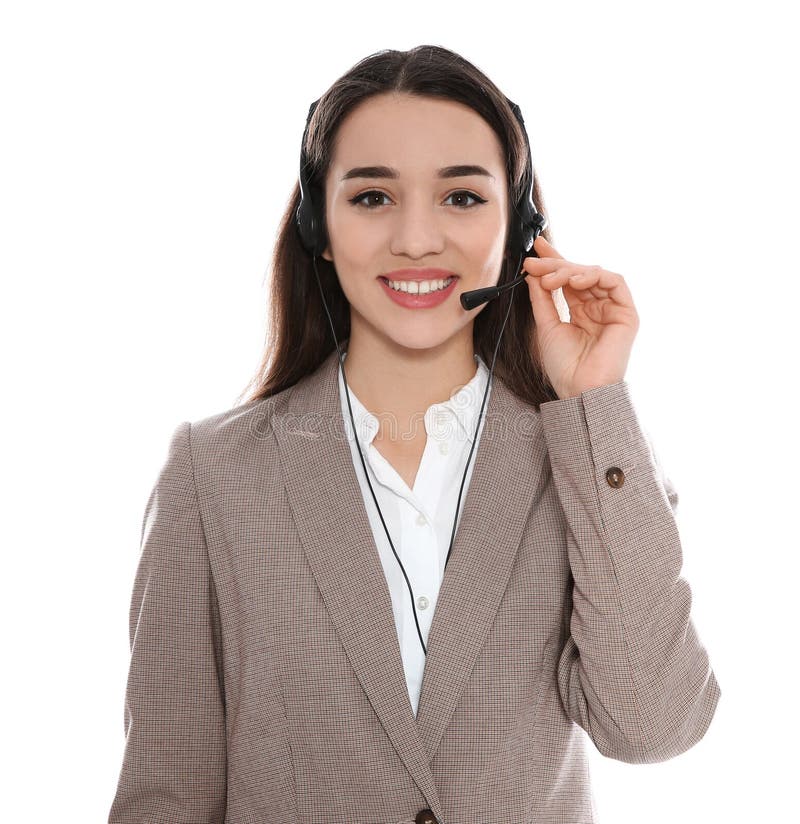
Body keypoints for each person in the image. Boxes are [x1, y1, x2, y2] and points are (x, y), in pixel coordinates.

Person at [107, 44, 721, 824]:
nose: (418, 240)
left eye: (462, 197)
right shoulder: (213, 472)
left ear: (520, 226)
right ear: (317, 226)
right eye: (372, 198)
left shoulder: (587, 460)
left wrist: (594, 403)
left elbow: (652, 726)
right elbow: (166, 795)